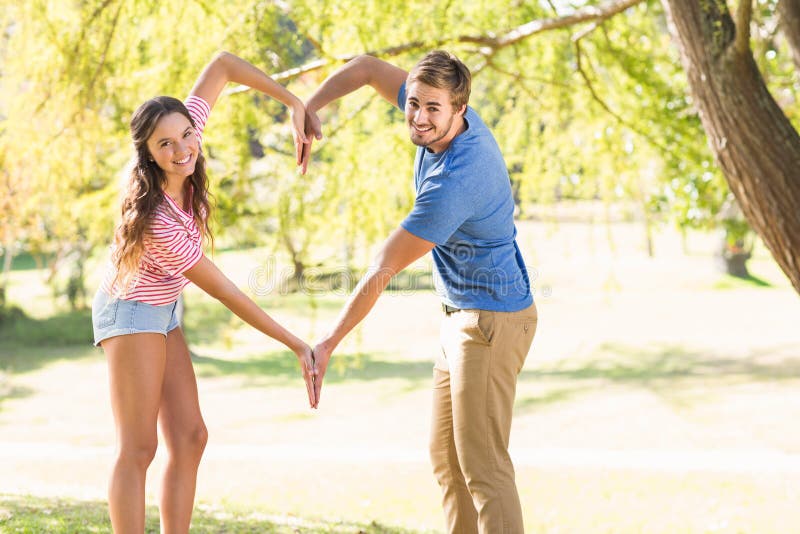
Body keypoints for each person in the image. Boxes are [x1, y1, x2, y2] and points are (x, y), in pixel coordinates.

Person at [303, 51, 538, 534]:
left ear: (460, 108)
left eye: (433, 108)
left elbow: (381, 270)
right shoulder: (433, 110)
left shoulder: (455, 181)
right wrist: (310, 105)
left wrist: (327, 343)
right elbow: (367, 68)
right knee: (448, 466)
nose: (420, 117)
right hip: (460, 318)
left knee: (485, 470)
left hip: (490, 321)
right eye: (413, 104)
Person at [91, 51, 318, 534]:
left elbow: (221, 66)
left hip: (163, 310)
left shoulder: (188, 135)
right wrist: (296, 342)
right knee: (138, 448)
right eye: (165, 144)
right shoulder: (157, 219)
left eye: (186, 134)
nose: (182, 150)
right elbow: (228, 293)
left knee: (191, 437)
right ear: (148, 154)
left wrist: (292, 101)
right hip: (131, 313)